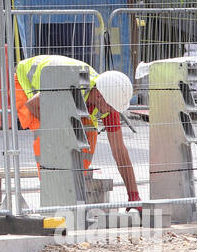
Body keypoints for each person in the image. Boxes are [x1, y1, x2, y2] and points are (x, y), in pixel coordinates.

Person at [14, 54, 141, 207]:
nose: (113, 111)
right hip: (26, 82)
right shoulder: (72, 85)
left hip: (61, 90)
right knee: (48, 134)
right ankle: (52, 195)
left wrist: (134, 196)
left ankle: (73, 188)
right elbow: (33, 105)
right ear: (100, 96)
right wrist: (57, 132)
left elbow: (119, 151)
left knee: (88, 135)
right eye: (112, 106)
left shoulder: (107, 100)